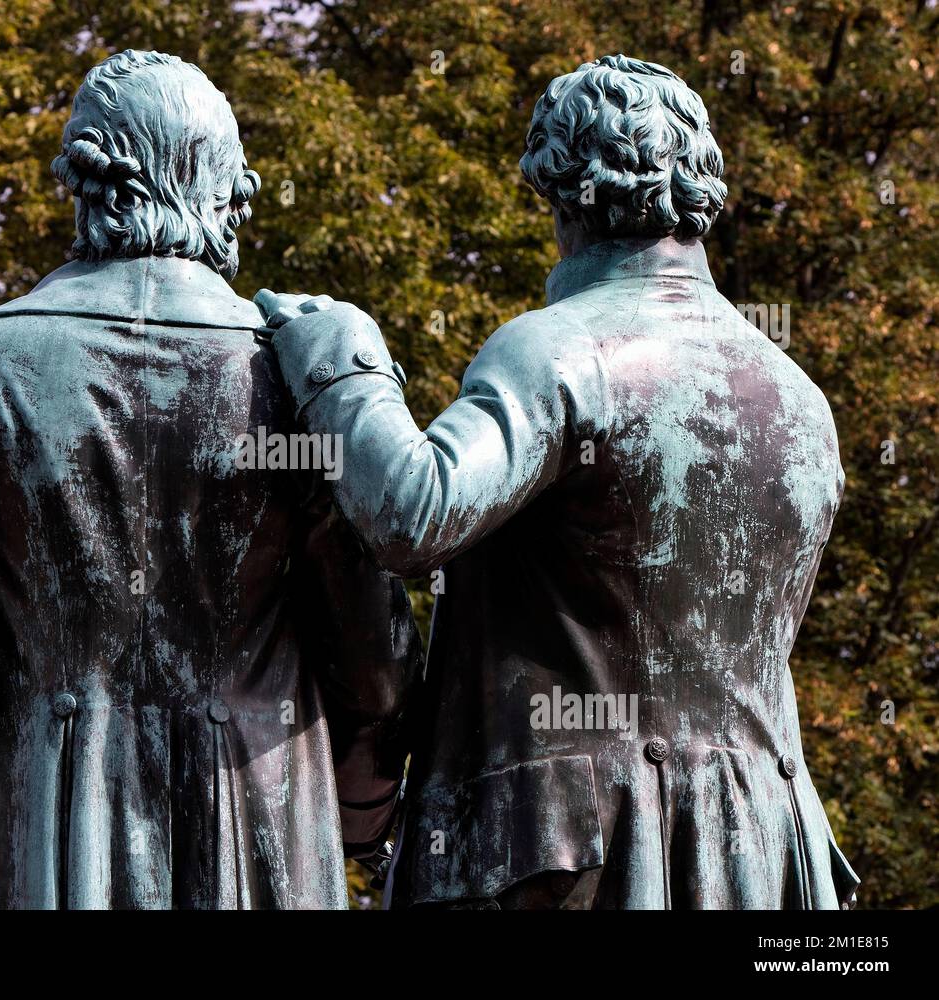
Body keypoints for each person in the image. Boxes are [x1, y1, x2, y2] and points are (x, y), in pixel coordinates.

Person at [0, 49, 419, 910]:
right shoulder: (297, 377)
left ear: (87, 184)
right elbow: (375, 664)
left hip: (28, 851)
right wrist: (358, 818)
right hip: (261, 846)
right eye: (239, 191)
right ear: (217, 192)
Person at [256, 55, 859, 909]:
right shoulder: (799, 399)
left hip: (564, 853)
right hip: (758, 853)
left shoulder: (559, 351)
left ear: (561, 189)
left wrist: (340, 359)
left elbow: (412, 512)